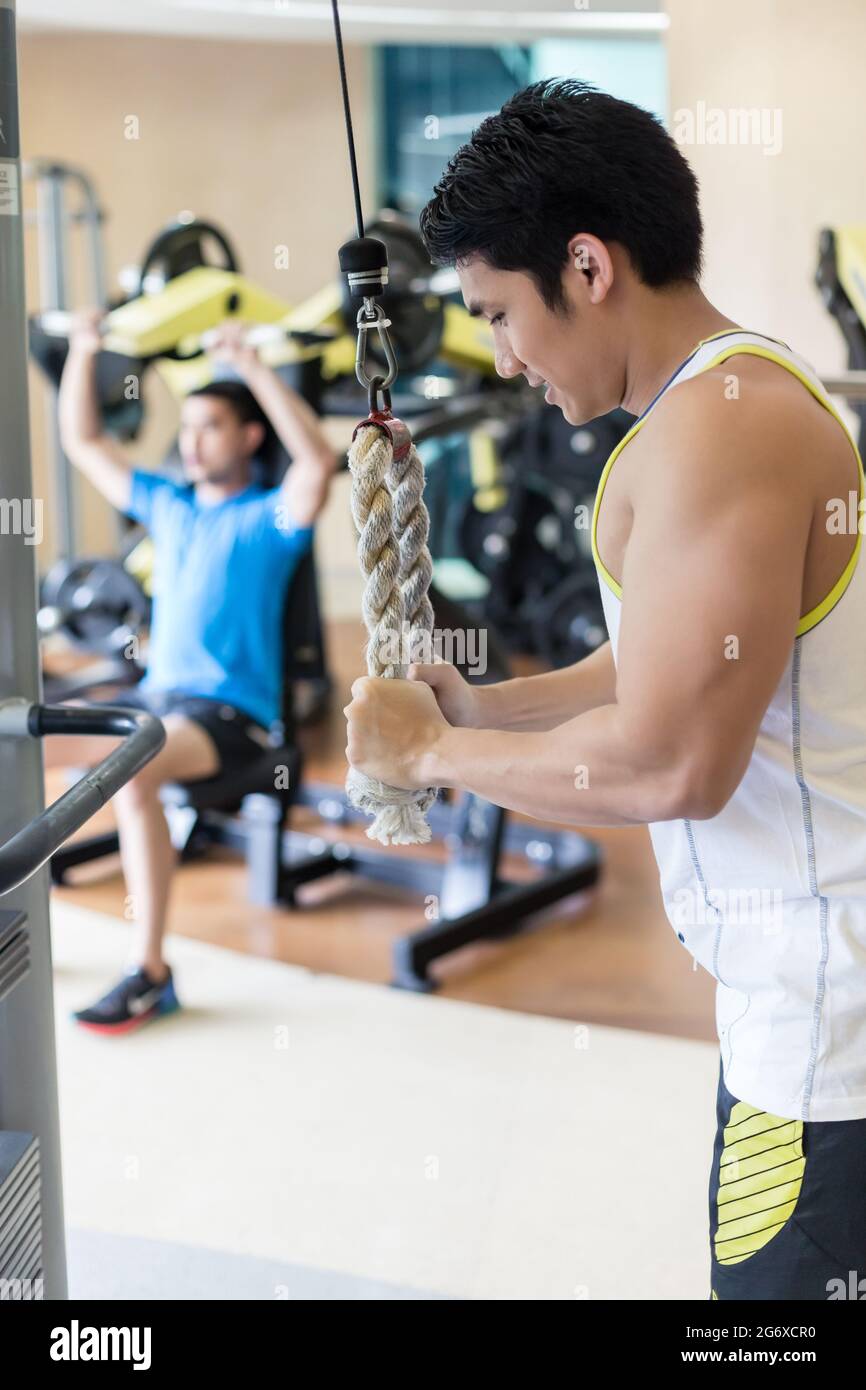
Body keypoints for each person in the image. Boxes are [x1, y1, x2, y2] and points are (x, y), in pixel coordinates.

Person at [342, 79, 866, 1300]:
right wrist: (474, 709)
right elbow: (650, 671)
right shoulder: (728, 398)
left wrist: (428, 759)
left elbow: (673, 763)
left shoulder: (718, 434)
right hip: (799, 992)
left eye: (497, 313)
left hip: (828, 1018)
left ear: (585, 266)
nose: (499, 356)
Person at [52, 314, 339, 1033]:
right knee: (23, 744)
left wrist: (250, 366)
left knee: (131, 766)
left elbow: (315, 463)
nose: (191, 440)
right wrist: (86, 350)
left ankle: (150, 970)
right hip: (157, 702)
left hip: (232, 721)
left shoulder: (270, 519)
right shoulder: (167, 505)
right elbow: (82, 441)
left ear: (246, 438)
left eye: (211, 426)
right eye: (187, 427)